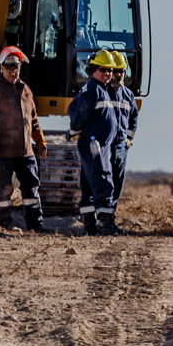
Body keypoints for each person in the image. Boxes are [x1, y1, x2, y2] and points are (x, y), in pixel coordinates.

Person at [0, 46, 48, 233]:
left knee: (31, 188)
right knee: (3, 188)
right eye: (8, 67)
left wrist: (40, 140)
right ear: (1, 67)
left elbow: (33, 119)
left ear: (19, 67)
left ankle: (35, 225)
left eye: (15, 66)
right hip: (3, 151)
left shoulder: (26, 90)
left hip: (25, 151)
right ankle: (4, 224)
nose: (12, 70)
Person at [69, 49, 138, 235]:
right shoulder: (97, 90)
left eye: (117, 71)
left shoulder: (125, 95)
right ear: (94, 70)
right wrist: (75, 131)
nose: (114, 75)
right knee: (99, 181)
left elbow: (132, 119)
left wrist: (128, 139)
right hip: (98, 145)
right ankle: (102, 225)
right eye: (108, 70)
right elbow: (78, 109)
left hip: (116, 145)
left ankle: (99, 223)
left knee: (111, 182)